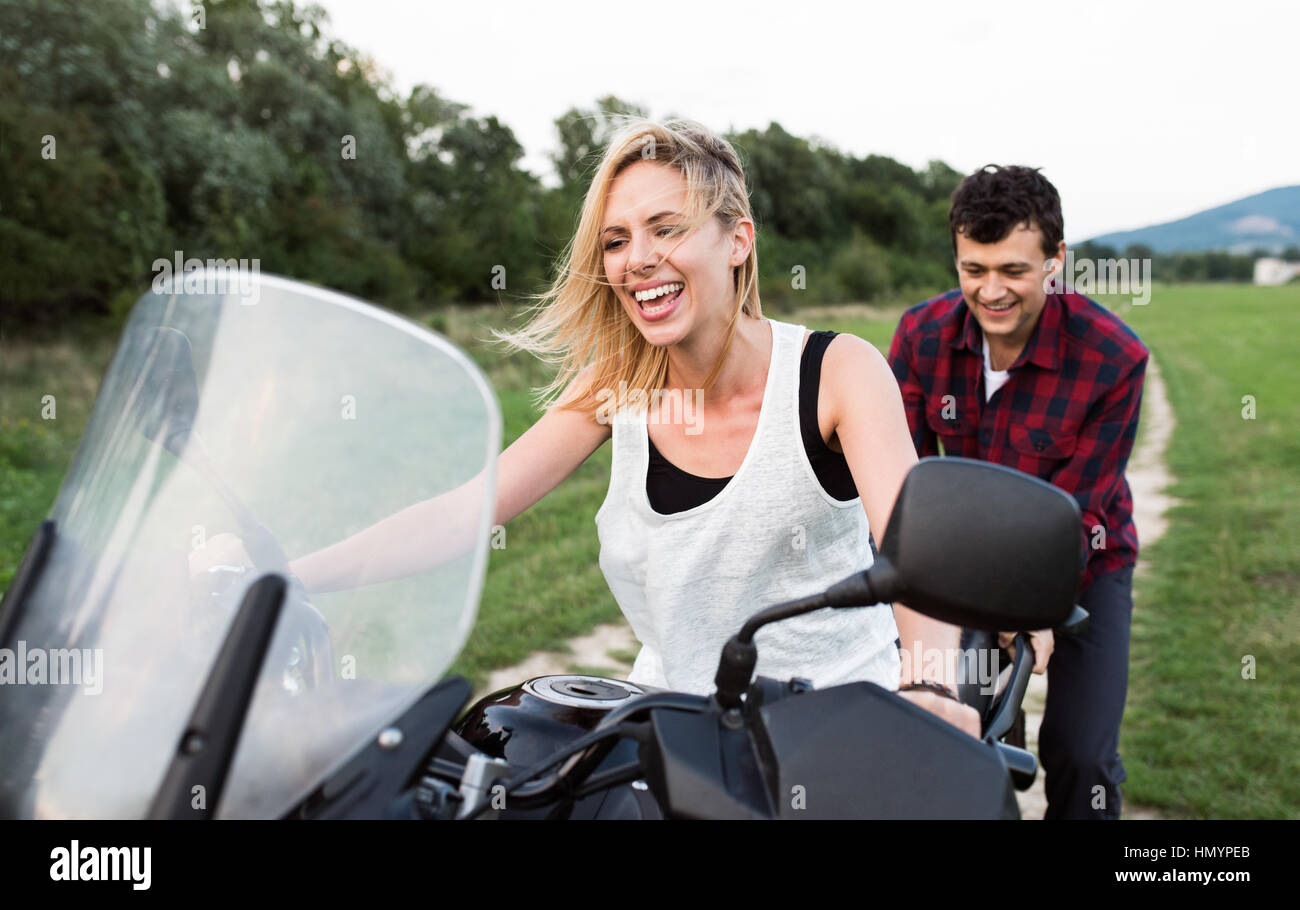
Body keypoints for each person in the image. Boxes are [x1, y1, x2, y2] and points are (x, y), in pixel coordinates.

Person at [194, 119, 979, 737]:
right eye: (615, 240)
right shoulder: (616, 387)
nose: (637, 259)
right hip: (674, 731)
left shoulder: (837, 373)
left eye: (665, 228)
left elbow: (919, 553)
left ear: (737, 240)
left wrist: (934, 681)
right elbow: (466, 511)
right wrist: (281, 575)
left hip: (838, 726)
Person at [887, 165, 1150, 817]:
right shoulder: (920, 338)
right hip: (952, 558)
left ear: (1056, 260)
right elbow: (905, 482)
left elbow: (1080, 508)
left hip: (1082, 562)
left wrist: (1033, 609)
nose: (991, 291)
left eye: (1013, 270)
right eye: (973, 269)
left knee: (1082, 755)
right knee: (952, 728)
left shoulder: (1114, 358)